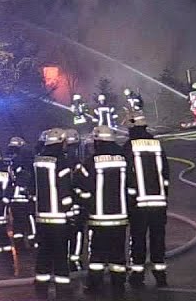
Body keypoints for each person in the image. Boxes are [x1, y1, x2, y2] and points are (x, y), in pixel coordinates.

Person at [80, 125, 130, 295]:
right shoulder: (124, 158)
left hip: (98, 218)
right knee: (118, 254)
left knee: (97, 255)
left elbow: (79, 186)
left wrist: (86, 204)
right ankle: (119, 285)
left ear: (97, 141)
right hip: (121, 217)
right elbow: (132, 185)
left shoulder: (91, 161)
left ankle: (95, 285)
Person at [124, 114, 170, 288]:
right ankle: (160, 275)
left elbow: (126, 176)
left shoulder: (129, 147)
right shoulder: (157, 145)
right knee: (158, 238)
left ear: (132, 128)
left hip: (138, 205)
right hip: (159, 203)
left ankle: (137, 275)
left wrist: (128, 200)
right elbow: (165, 174)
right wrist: (164, 196)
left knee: (138, 239)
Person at [33, 128, 75, 297]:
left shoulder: (38, 161)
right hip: (59, 219)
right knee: (60, 256)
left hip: (42, 219)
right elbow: (65, 192)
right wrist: (71, 215)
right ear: (61, 142)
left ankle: (41, 289)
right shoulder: (62, 162)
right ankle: (63, 291)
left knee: (43, 255)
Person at [63, 128, 87, 273]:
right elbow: (84, 182)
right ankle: (74, 258)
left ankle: (66, 257)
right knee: (77, 232)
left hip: (61, 207)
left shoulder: (58, 161)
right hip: (76, 205)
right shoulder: (78, 164)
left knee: (65, 232)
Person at [6, 136, 37, 245]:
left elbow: (10, 180)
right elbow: (26, 178)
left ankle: (19, 244)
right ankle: (33, 242)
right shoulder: (25, 162)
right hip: (24, 197)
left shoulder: (12, 163)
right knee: (29, 220)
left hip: (14, 198)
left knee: (17, 222)